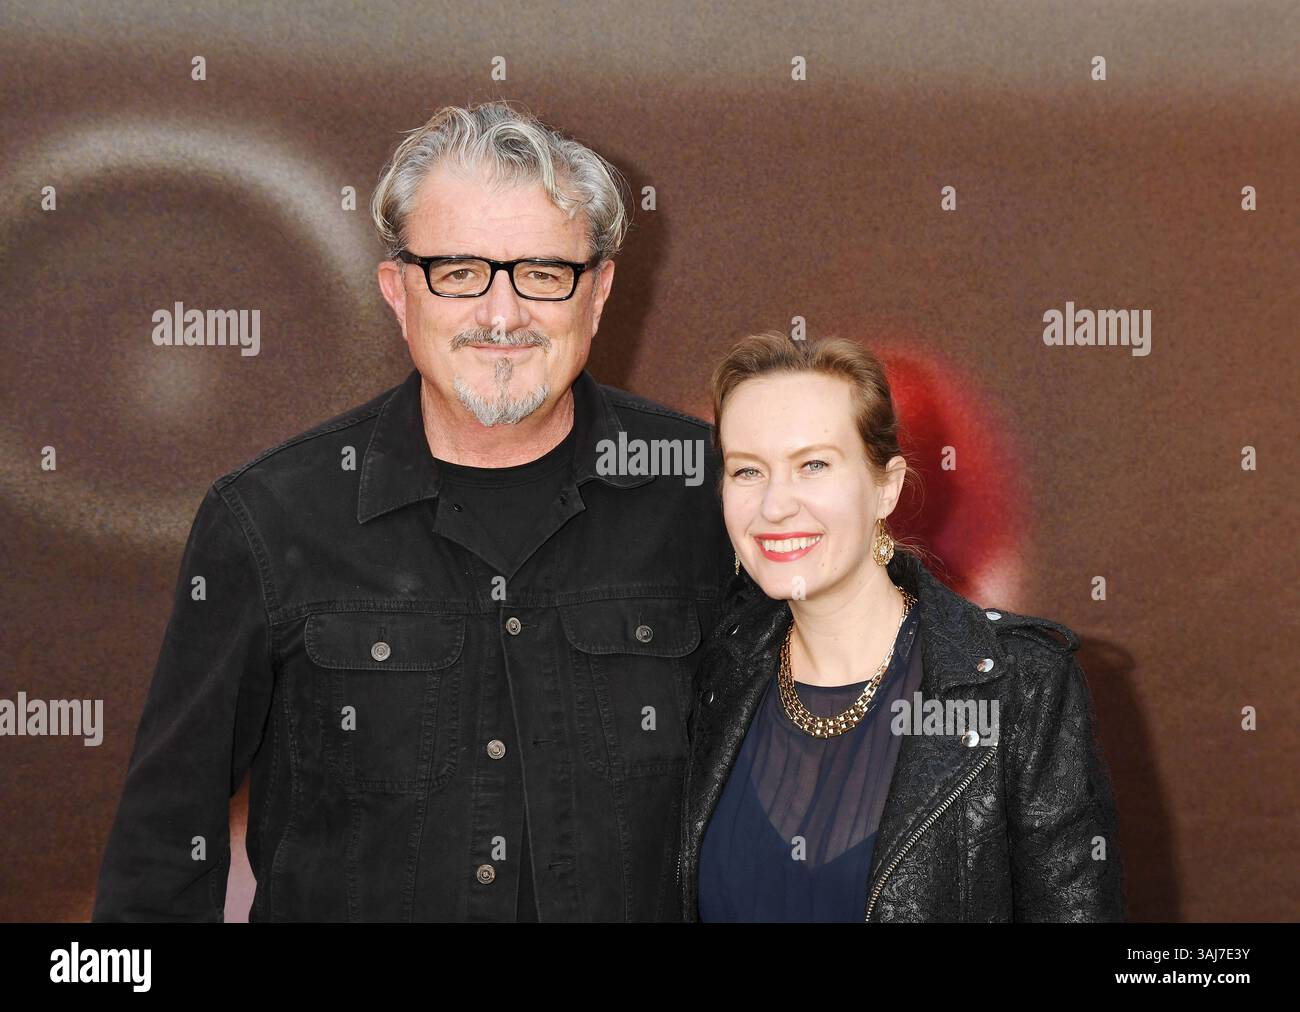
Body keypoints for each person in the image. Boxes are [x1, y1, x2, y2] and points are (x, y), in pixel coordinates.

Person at [93, 101, 732, 922]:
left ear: (599, 291)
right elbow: (160, 851)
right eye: (459, 271)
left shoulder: (711, 492)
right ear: (398, 291)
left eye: (542, 272)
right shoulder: (268, 518)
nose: (502, 315)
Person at [680, 332, 1125, 921]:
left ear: (885, 486)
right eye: (746, 472)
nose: (775, 505)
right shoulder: (717, 671)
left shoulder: (1023, 688)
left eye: (812, 464)